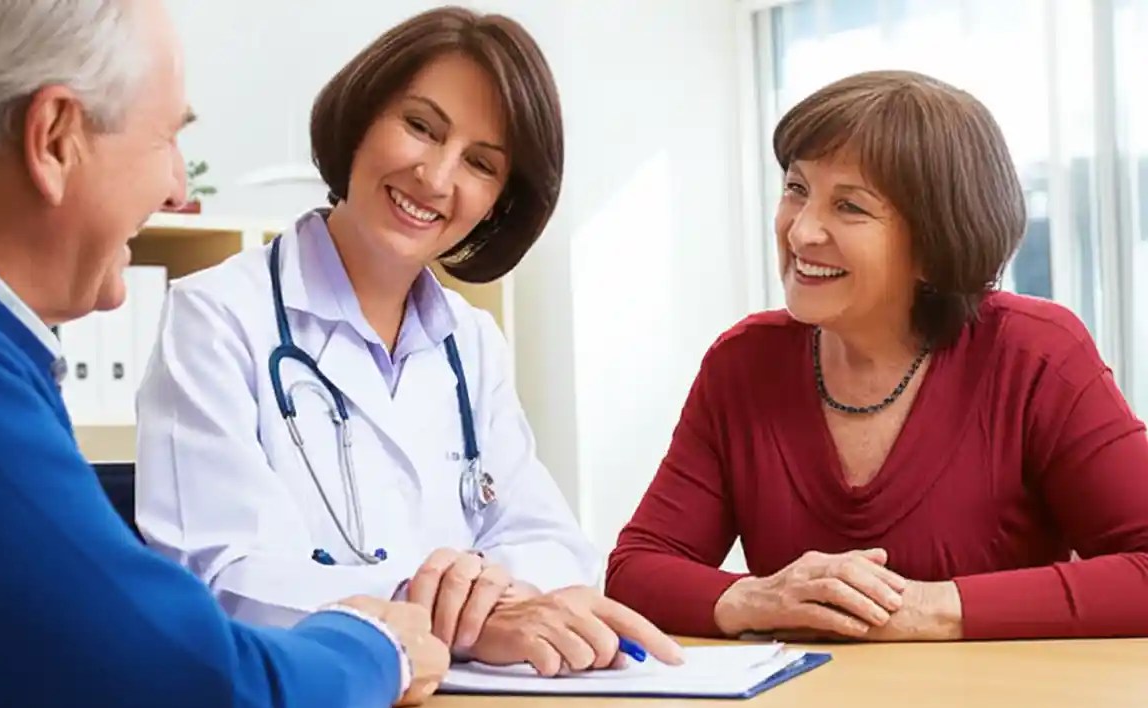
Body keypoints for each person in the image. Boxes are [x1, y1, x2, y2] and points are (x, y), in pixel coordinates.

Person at [0, 1, 450, 708]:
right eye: (168, 138)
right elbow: (190, 687)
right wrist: (373, 644)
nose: (180, 189)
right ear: (54, 138)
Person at [135, 6, 681, 674]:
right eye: (421, 127)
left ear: (499, 204)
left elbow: (549, 543)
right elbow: (220, 577)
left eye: (480, 164)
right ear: (362, 118)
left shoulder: (471, 343)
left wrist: (495, 598)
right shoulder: (216, 316)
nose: (437, 178)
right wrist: (432, 610)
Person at [606, 70, 1148, 642]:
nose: (802, 231)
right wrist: (758, 597)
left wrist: (931, 608)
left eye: (850, 207)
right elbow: (636, 570)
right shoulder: (743, 364)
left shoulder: (1036, 354)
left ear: (936, 243)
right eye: (796, 189)